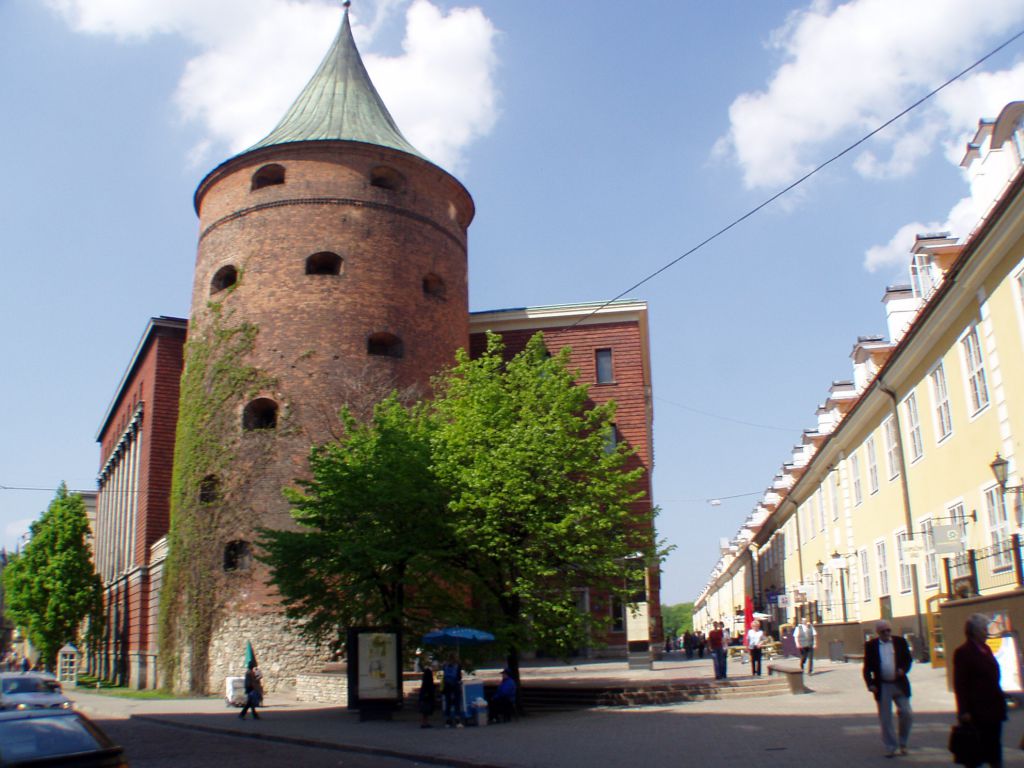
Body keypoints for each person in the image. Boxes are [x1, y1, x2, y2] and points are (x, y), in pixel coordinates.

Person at [953, 613, 1006, 767]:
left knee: (994, 750)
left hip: (994, 709)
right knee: (975, 753)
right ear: (974, 631)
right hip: (977, 712)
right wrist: (963, 711)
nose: (986, 631)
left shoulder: (986, 649)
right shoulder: (963, 652)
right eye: (983, 629)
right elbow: (960, 684)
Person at [863, 620, 913, 757]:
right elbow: (867, 668)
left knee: (907, 713)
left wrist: (903, 670)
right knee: (885, 718)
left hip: (899, 683)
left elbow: (908, 660)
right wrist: (870, 684)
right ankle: (891, 746)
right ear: (878, 633)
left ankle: (903, 742)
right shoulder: (871, 646)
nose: (886, 633)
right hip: (882, 685)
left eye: (888, 630)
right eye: (883, 631)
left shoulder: (900, 642)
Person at [441, 655, 463, 728]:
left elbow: (444, 676)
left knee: (448, 703)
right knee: (457, 703)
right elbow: (459, 677)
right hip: (455, 685)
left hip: (447, 686)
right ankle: (458, 721)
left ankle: (448, 721)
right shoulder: (457, 666)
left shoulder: (445, 666)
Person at [418, 660, 437, 728]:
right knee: (426, 710)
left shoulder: (426, 673)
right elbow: (429, 684)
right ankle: (425, 723)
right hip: (427, 694)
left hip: (424, 694)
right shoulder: (428, 673)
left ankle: (424, 723)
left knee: (425, 710)